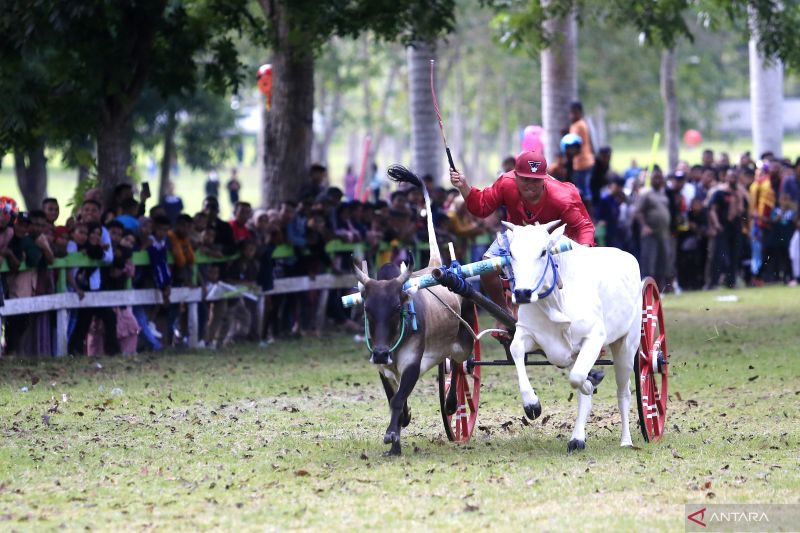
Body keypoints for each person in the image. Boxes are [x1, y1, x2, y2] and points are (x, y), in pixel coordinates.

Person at [449, 149, 595, 335]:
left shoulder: (563, 198)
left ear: (544, 179)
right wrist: (463, 186)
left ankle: (578, 321)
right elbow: (481, 206)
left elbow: (585, 228)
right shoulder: (505, 184)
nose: (530, 186)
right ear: (515, 176)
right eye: (525, 179)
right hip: (518, 237)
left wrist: (583, 254)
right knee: (487, 265)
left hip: (552, 242)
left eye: (536, 180)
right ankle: (504, 315)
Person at [633, 166, 671, 290]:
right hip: (650, 234)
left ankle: (659, 290)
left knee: (663, 261)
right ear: (651, 179)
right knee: (649, 262)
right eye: (655, 178)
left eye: (660, 178)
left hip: (663, 234)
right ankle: (646, 291)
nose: (658, 180)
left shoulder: (663, 194)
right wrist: (644, 226)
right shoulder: (646, 194)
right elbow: (638, 212)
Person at [568, 101, 595, 201]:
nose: (572, 115)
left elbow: (574, 143)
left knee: (583, 192)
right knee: (585, 190)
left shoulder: (578, 125)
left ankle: (587, 214)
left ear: (580, 113)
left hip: (582, 162)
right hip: (584, 161)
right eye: (571, 113)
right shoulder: (580, 124)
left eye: (575, 113)